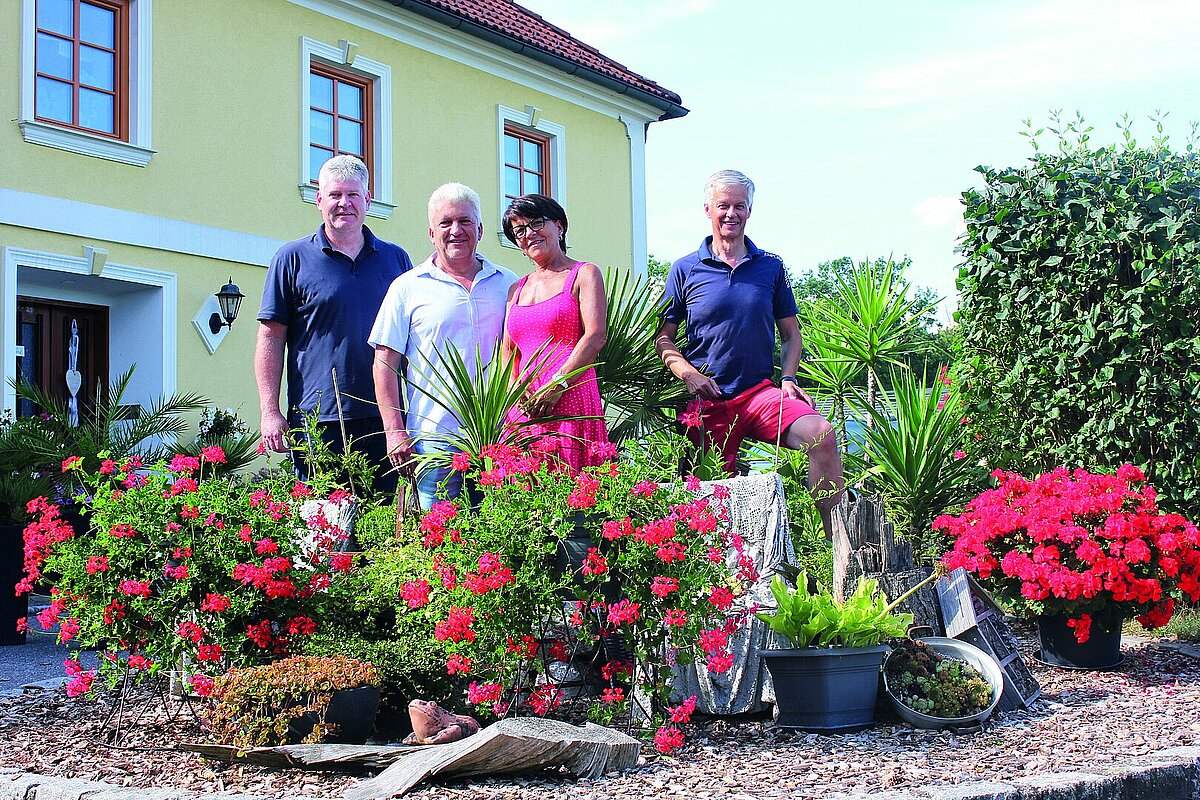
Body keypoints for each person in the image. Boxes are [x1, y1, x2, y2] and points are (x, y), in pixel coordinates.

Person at [655, 170, 844, 538]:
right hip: (705, 402)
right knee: (705, 502)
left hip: (759, 394)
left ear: (749, 210)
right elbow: (664, 339)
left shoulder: (770, 266)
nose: (731, 213)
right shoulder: (684, 269)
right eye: (722, 205)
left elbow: (791, 335)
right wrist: (688, 374)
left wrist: (788, 378)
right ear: (707, 209)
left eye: (739, 205)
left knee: (821, 434)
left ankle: (837, 545)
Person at [256, 155, 413, 497]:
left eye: (354, 195)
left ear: (368, 200)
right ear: (319, 201)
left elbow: (413, 340)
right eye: (335, 195)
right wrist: (270, 412)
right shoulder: (291, 259)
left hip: (383, 418)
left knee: (383, 524)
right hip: (316, 420)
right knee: (322, 527)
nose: (345, 204)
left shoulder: (396, 259)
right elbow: (270, 339)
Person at [369, 183, 517, 509]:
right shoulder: (407, 288)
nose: (456, 231)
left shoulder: (509, 283)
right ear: (430, 232)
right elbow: (385, 363)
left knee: (502, 539)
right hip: (434, 441)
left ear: (479, 228)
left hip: (501, 437)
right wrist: (394, 432)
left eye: (465, 222)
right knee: (442, 546)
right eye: (445, 223)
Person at [500, 194, 610, 472]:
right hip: (524, 408)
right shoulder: (516, 289)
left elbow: (595, 336)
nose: (529, 234)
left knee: (576, 488)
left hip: (570, 396)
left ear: (559, 226)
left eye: (537, 223)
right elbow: (507, 354)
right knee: (525, 495)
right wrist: (514, 392)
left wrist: (557, 385)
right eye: (519, 230)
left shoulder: (584, 274)